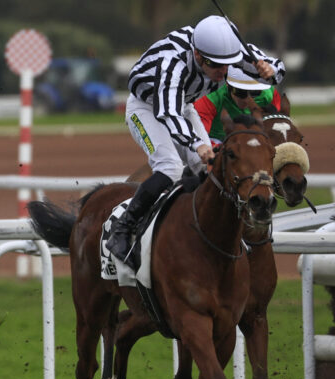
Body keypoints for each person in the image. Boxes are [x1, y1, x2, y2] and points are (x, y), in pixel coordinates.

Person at [106, 15, 285, 265]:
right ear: (199, 56)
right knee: (170, 167)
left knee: (207, 168)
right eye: (218, 67)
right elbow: (167, 113)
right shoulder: (173, 62)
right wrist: (197, 144)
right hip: (147, 107)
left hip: (184, 103)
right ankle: (122, 230)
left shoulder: (225, 49)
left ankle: (207, 232)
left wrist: (270, 70)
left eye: (228, 65)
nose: (224, 74)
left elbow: (275, 68)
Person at [195, 66, 282, 145]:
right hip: (216, 140)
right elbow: (200, 139)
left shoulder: (269, 94)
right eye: (241, 92)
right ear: (228, 84)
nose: (247, 99)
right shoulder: (209, 97)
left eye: (254, 92)